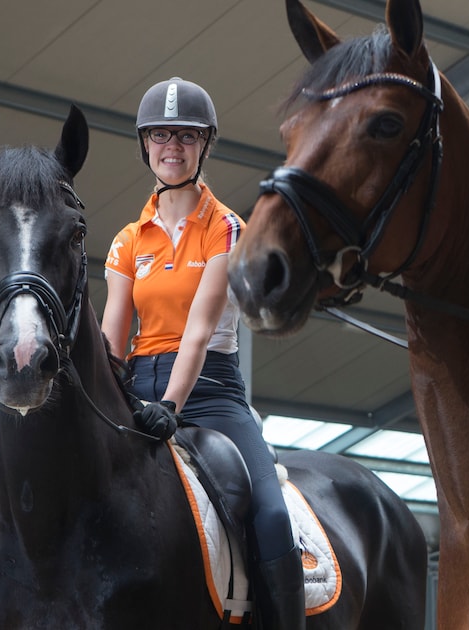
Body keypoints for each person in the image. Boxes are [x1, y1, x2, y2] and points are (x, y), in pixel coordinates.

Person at [101, 77, 304, 630]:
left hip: (211, 395)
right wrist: (108, 396)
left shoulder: (227, 228)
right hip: (138, 392)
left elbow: (199, 329)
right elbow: (113, 339)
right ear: (145, 145)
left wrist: (171, 404)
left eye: (186, 136)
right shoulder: (127, 240)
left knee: (271, 513)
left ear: (204, 145)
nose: (172, 146)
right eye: (160, 135)